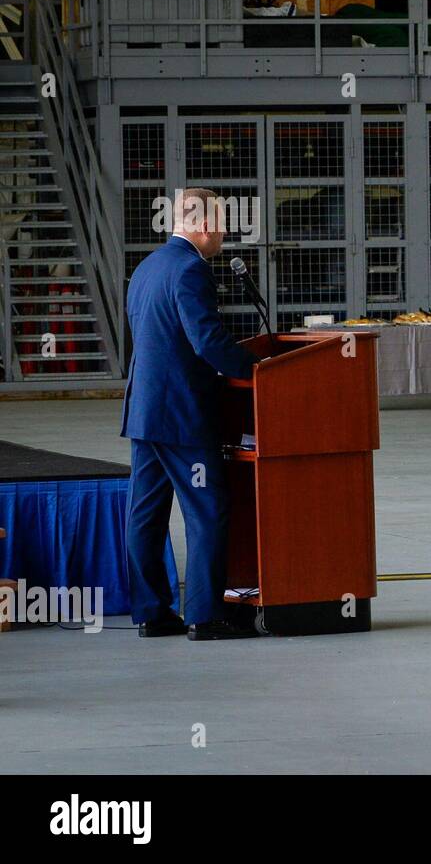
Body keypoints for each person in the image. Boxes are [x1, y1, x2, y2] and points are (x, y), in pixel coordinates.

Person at [122, 187, 259, 641]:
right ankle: (204, 616)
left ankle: (151, 613)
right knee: (206, 510)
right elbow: (207, 342)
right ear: (202, 226)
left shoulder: (146, 267)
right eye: (220, 223)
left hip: (144, 415)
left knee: (146, 514)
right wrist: (257, 370)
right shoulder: (192, 270)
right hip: (181, 418)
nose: (223, 233)